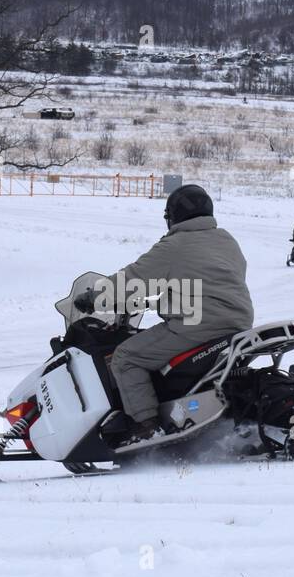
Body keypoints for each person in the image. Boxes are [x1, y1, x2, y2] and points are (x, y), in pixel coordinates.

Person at [94, 184, 254, 445]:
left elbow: (134, 280)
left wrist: (95, 296)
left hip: (195, 325)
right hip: (238, 323)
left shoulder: (174, 246)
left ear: (174, 216)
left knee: (125, 357)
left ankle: (146, 425)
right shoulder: (226, 239)